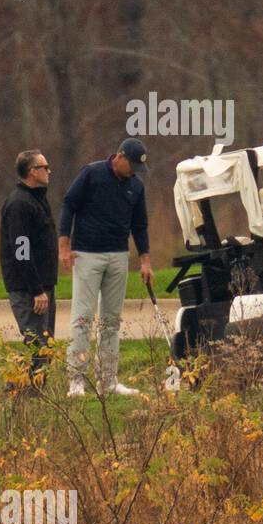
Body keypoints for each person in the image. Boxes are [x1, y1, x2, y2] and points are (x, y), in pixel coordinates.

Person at [58, 137, 153, 397]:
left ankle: (108, 381)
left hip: (118, 255)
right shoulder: (92, 173)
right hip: (87, 254)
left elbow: (140, 225)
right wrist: (64, 246)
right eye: (131, 165)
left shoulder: (136, 185)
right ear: (119, 157)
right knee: (83, 318)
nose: (134, 171)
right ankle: (76, 380)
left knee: (111, 320)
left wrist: (145, 261)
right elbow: (69, 205)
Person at [0, 150, 58, 382]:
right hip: (30, 290)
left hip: (43, 287)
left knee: (46, 345)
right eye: (45, 166)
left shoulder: (37, 199)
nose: (49, 170)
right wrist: (36, 290)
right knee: (37, 346)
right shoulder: (19, 204)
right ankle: (25, 396)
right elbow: (21, 251)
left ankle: (39, 395)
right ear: (33, 171)